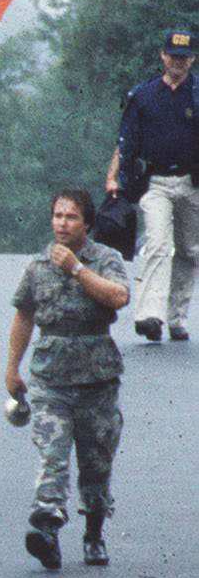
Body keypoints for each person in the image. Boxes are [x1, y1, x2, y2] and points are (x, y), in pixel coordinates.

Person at [6, 189, 131, 569]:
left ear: (87, 223)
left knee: (96, 462)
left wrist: (77, 269)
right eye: (58, 216)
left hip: (97, 379)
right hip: (50, 378)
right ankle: (46, 528)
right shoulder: (37, 265)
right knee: (53, 455)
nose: (62, 223)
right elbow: (24, 315)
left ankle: (94, 533)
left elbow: (118, 297)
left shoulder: (105, 259)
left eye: (71, 217)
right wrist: (12, 368)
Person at [110, 26, 199, 342]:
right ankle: (150, 315)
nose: (179, 63)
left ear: (192, 59)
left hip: (192, 182)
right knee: (158, 243)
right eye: (174, 57)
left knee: (189, 250)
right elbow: (126, 143)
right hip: (156, 182)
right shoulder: (143, 96)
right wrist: (115, 180)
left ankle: (176, 317)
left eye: (185, 57)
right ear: (163, 56)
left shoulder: (197, 93)